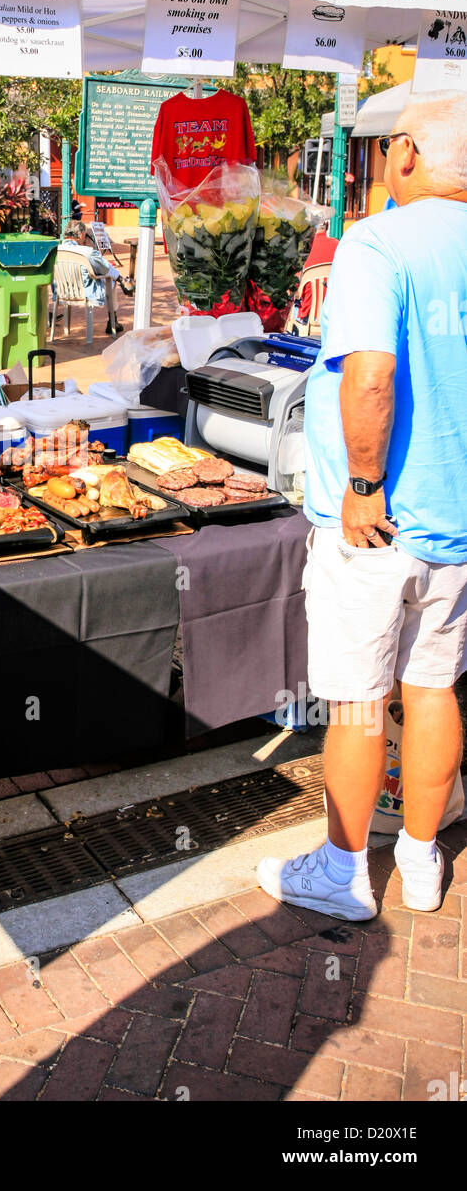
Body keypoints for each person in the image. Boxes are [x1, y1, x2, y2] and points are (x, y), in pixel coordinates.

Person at [257, 92, 467, 922]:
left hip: (378, 524)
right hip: (454, 518)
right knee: (432, 686)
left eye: (386, 147)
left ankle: (344, 872)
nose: (381, 159)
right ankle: (419, 861)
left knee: (354, 696)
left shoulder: (376, 243)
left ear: (407, 153)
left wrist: (364, 485)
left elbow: (372, 374)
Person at [59, 221, 132, 335]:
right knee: (110, 279)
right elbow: (105, 268)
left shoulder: (57, 250)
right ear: (81, 234)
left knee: (107, 275)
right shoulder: (87, 252)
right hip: (85, 292)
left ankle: (121, 281)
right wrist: (119, 278)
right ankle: (113, 320)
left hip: (63, 291)